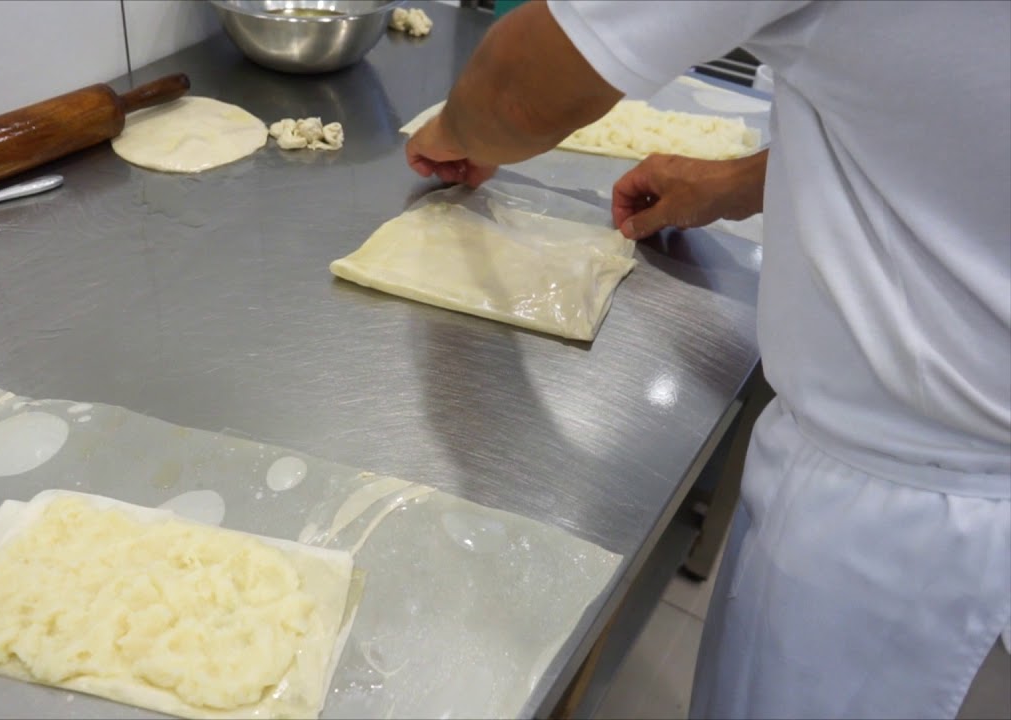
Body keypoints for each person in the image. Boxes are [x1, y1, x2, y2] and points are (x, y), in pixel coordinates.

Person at [405, 2, 1011, 718]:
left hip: (905, 531)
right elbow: (952, 121)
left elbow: (524, 82)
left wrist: (454, 131)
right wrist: (737, 182)